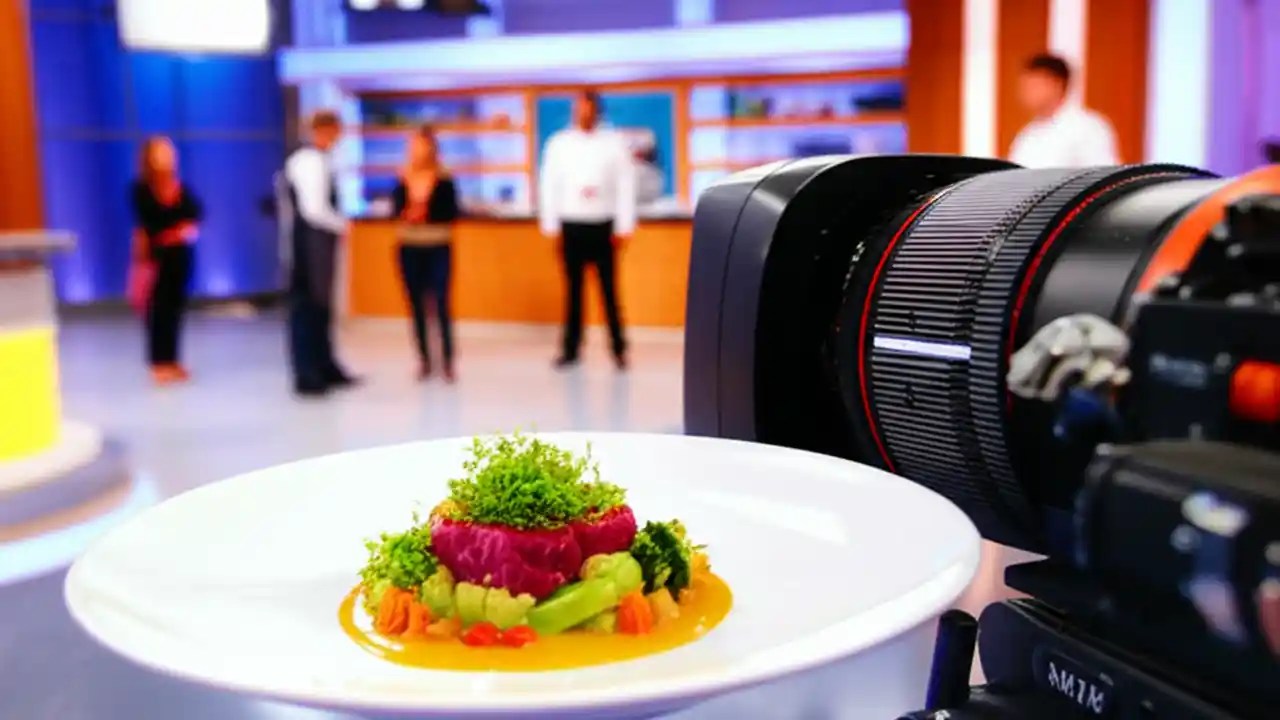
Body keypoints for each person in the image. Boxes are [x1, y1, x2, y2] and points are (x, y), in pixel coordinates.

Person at [538, 89, 636, 370]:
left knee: (609, 291)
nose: (583, 114)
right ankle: (570, 349)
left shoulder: (614, 143)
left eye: (588, 109)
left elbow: (625, 185)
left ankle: (618, 349)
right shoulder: (559, 144)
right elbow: (549, 185)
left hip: (603, 225)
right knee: (573, 292)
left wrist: (624, 224)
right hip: (571, 225)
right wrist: (551, 225)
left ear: (597, 111)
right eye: (578, 109)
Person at [283, 110, 357, 397]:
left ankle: (326, 366)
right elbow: (313, 210)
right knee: (307, 307)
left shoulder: (321, 159)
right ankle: (307, 373)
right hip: (309, 244)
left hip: (319, 243)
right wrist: (341, 224)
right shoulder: (308, 161)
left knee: (321, 307)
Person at [392, 125, 460, 382]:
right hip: (409, 247)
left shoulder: (444, 178)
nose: (418, 151)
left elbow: (452, 212)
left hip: (438, 245)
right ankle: (424, 359)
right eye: (413, 146)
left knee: (441, 303)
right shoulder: (402, 177)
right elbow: (394, 209)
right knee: (416, 305)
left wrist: (425, 214)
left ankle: (448, 361)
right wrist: (407, 214)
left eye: (423, 145)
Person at [130, 136, 201, 386]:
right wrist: (175, 230)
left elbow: (195, 213)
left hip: (180, 257)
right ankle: (157, 362)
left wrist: (180, 229)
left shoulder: (180, 186)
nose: (168, 156)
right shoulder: (140, 188)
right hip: (156, 258)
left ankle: (173, 359)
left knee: (175, 309)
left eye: (169, 151)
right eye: (161, 152)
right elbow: (151, 221)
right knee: (157, 311)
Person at [1009, 53, 1119, 168]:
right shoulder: (1027, 135)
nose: (1025, 93)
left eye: (1033, 86)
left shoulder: (1088, 128)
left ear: (1057, 85)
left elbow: (1105, 179)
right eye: (1023, 86)